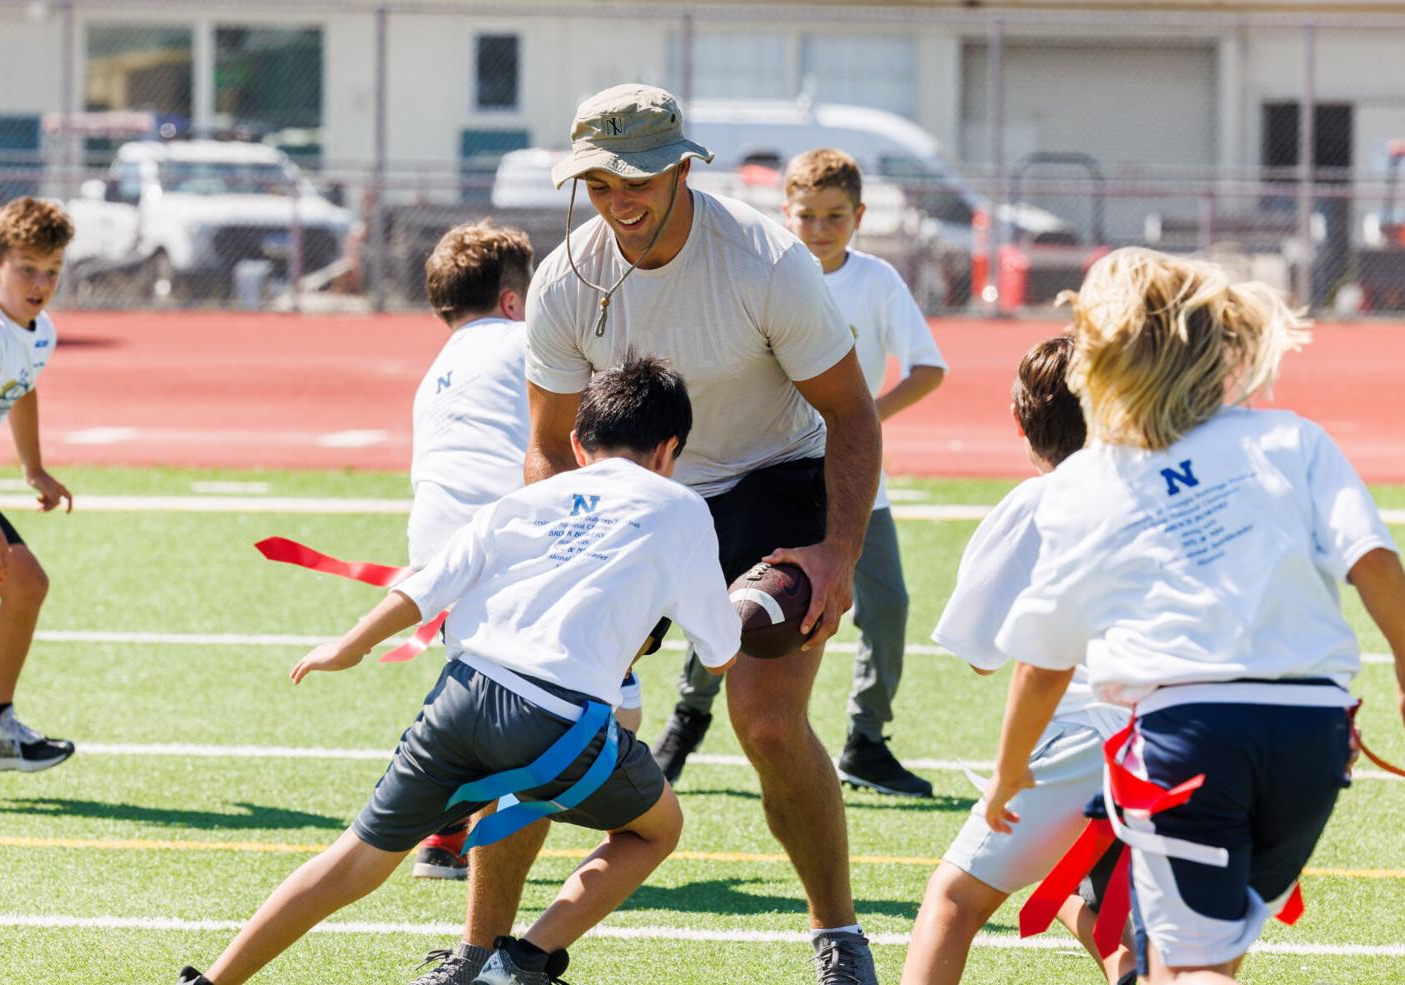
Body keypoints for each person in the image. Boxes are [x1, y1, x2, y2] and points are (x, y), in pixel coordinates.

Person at [409, 83, 884, 985]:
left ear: (681, 165)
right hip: (636, 490)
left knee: (769, 724)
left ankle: (839, 936)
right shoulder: (564, 278)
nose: (618, 199)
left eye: (635, 177)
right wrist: (553, 559)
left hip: (773, 481)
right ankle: (480, 952)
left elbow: (853, 415)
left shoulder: (766, 261)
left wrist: (838, 551)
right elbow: (548, 448)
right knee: (541, 707)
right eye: (597, 181)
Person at [176, 355, 741, 985]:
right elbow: (719, 651)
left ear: (579, 445)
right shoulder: (682, 508)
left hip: (462, 694)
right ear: (670, 450)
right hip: (556, 719)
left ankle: (213, 981)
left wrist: (349, 645)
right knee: (656, 831)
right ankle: (520, 963)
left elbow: (425, 587)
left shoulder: (523, 501)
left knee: (353, 861)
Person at [983, 248, 1405, 985]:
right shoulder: (1291, 438)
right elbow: (1376, 561)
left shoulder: (1088, 481)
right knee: (1195, 956)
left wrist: (1011, 770)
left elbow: (1045, 657)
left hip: (1186, 737)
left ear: (1096, 363)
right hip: (1314, 736)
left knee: (1196, 969)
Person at [658, 147, 946, 797]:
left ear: (860, 216)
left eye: (834, 216)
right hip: (764, 477)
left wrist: (863, 418)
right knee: (732, 600)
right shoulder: (763, 273)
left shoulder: (875, 283)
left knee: (889, 603)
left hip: (848, 479)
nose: (819, 229)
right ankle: (687, 717)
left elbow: (927, 367)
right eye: (807, 216)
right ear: (784, 214)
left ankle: (867, 740)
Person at [901, 336, 1135, 985]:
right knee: (1122, 919)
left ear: (1019, 421)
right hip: (1179, 732)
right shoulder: (1158, 498)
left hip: (1082, 735)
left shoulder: (1036, 503)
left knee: (953, 900)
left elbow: (984, 655)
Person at [405, 219, 536, 881]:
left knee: (482, 685)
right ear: (513, 301)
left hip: (435, 547)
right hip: (507, 540)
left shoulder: (435, 372)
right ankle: (487, 836)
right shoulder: (525, 339)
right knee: (599, 696)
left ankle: (444, 829)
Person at [0, 196, 76, 774]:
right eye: (28, 268)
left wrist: (32, 468)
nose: (41, 283)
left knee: (24, 584)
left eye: (52, 270)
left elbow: (25, 385)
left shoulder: (35, 328)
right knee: (23, 581)